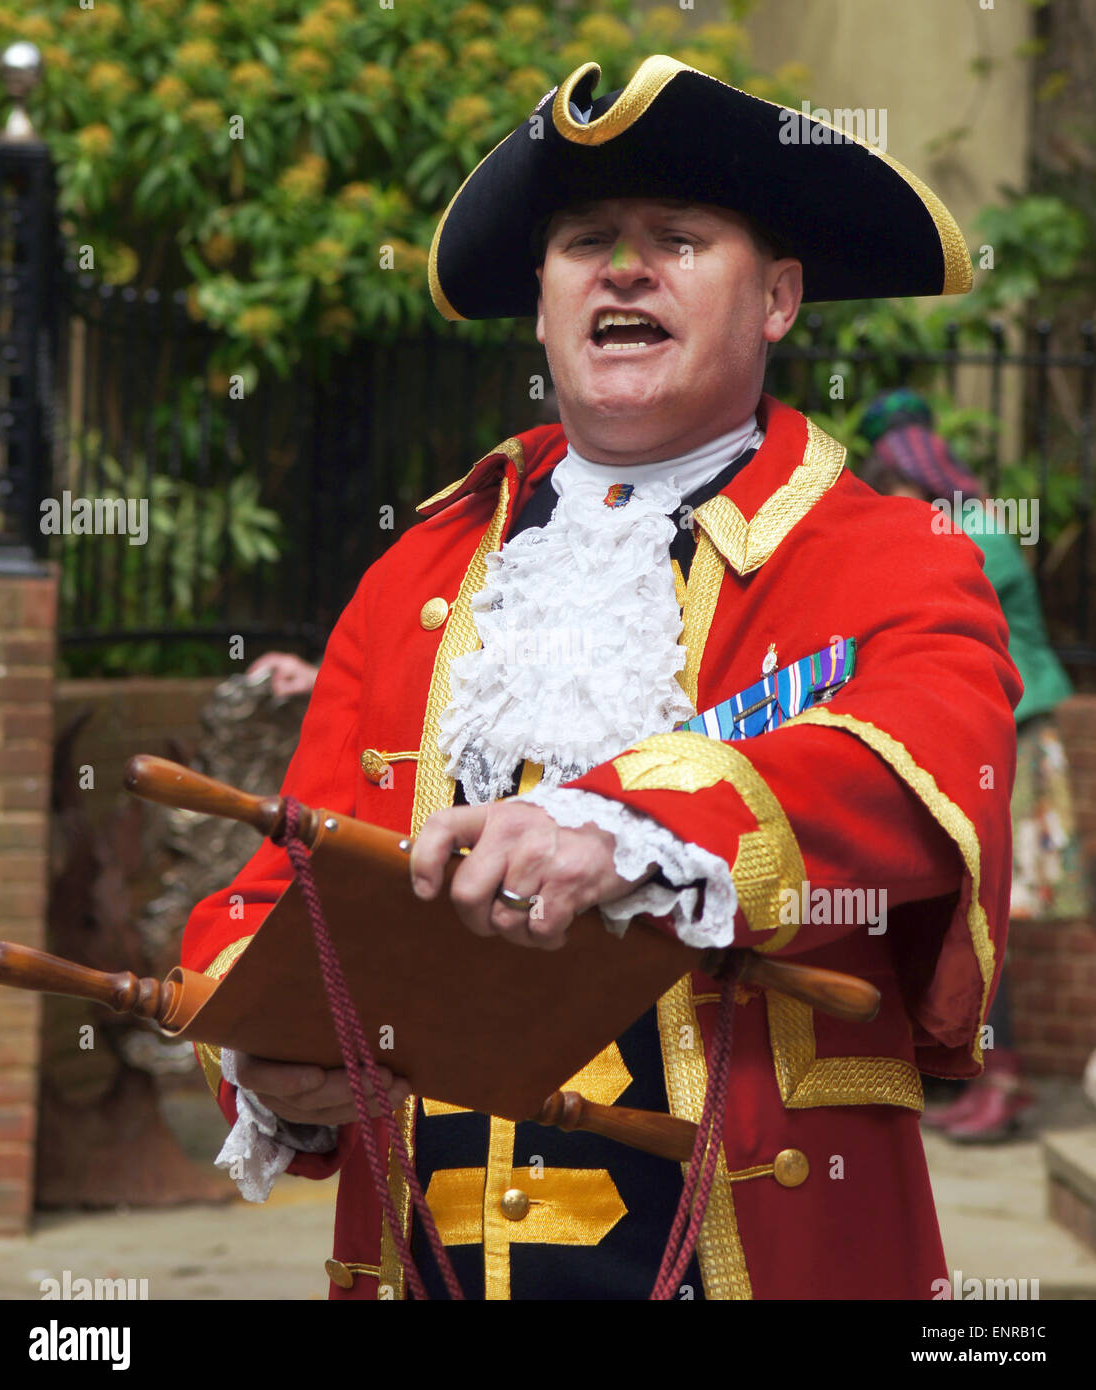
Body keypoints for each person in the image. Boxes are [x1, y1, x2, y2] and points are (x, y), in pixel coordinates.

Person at [182, 54, 1020, 1300]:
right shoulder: (418, 574)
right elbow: (282, 882)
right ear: (541, 303)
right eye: (585, 242)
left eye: (676, 240)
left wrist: (630, 826)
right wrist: (265, 1058)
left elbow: (925, 766)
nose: (623, 269)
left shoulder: (885, 555)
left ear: (779, 299)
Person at [859, 392, 1087, 1141]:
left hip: (1013, 745)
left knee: (996, 911)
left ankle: (1008, 1082)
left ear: (906, 470)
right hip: (989, 744)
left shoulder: (969, 535)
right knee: (978, 912)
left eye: (885, 477)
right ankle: (986, 1077)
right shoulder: (961, 521)